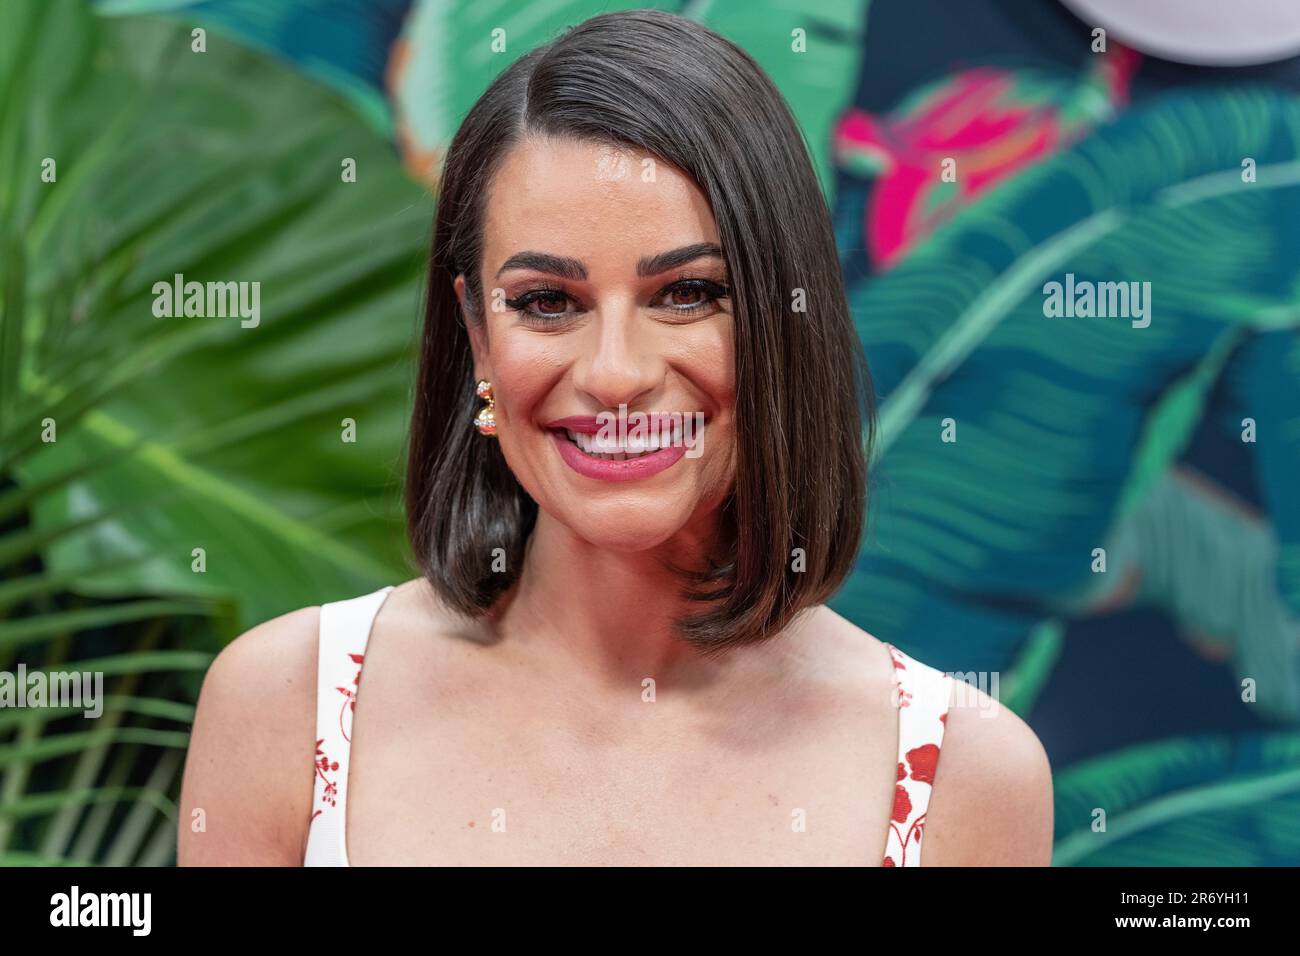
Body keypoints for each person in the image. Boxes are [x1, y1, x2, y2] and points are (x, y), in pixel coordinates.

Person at [178, 8, 1052, 867]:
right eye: (547, 303)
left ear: (786, 319)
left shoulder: (961, 774)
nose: (615, 375)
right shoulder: (288, 704)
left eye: (687, 294)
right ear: (479, 336)